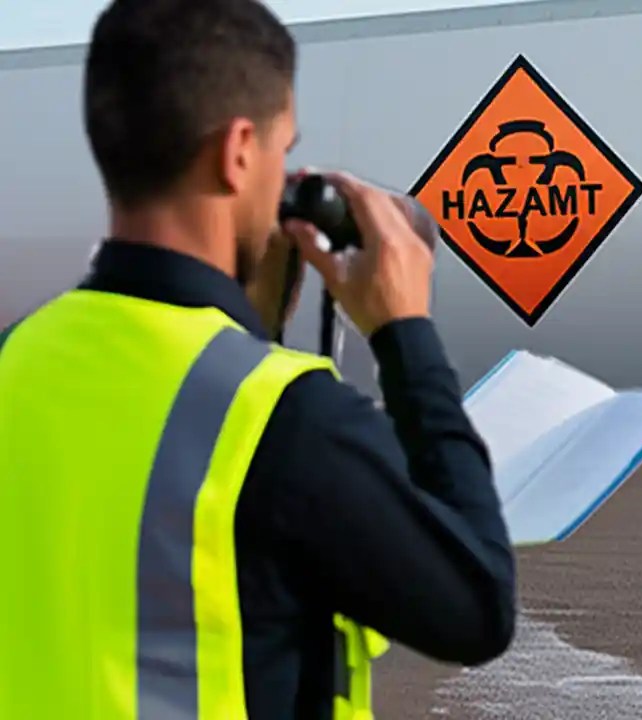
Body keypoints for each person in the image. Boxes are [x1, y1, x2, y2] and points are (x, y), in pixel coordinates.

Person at [0, 1, 516, 718]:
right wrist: (405, 333)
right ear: (238, 152)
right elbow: (477, 608)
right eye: (282, 151)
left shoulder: (16, 360)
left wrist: (256, 322)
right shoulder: (285, 417)